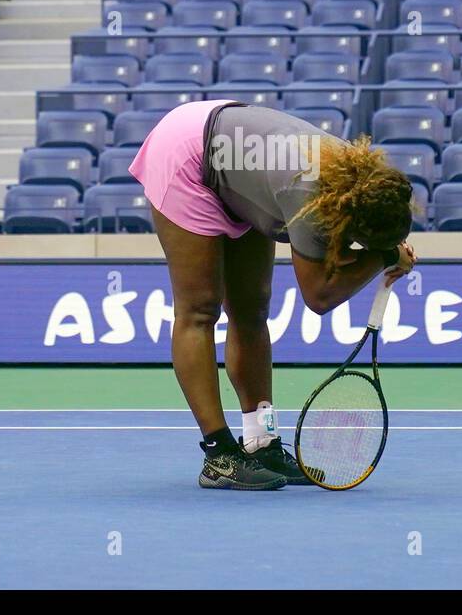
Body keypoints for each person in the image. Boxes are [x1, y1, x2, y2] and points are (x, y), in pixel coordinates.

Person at [128, 100, 417, 490]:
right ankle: (219, 456)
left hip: (238, 165)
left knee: (251, 309)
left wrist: (382, 250)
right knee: (199, 309)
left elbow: (337, 259)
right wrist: (382, 257)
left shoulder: (362, 184)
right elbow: (319, 296)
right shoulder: (310, 197)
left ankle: (261, 443)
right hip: (185, 155)